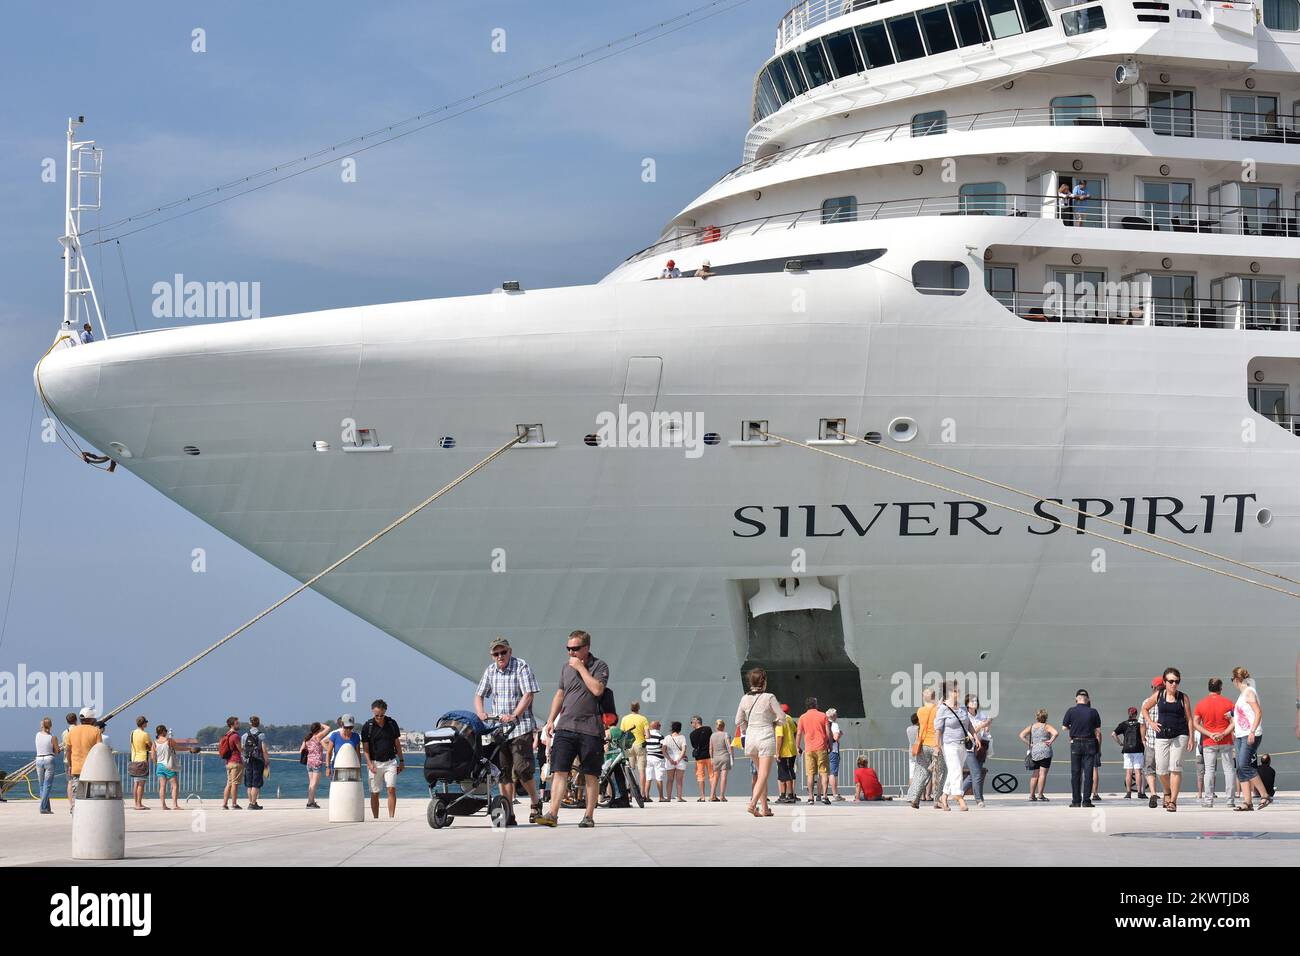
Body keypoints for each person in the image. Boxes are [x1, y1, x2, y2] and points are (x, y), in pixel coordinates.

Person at [534, 629, 609, 828]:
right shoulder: (565, 669)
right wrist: (550, 720)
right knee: (560, 771)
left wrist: (582, 669)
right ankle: (552, 814)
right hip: (565, 726)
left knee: (591, 774)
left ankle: (589, 816)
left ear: (587, 648)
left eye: (575, 649)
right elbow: (560, 694)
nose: (570, 653)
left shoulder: (599, 666)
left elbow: (597, 690)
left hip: (590, 729)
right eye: (568, 648)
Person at [474, 637, 542, 824]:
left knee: (522, 769)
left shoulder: (521, 666)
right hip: (500, 729)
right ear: (492, 656)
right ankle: (508, 811)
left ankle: (536, 802)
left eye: (503, 652)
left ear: (510, 651)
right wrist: (480, 712)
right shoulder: (490, 671)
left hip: (521, 727)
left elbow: (528, 694)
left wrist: (514, 714)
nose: (500, 656)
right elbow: (479, 694)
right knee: (503, 772)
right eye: (496, 654)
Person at [1141, 668, 1194, 812]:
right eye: (1171, 681)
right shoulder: (1159, 695)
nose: (1174, 684)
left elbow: (1189, 719)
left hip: (1180, 735)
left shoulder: (1183, 698)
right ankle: (1167, 791)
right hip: (1162, 736)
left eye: (1177, 681)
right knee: (1161, 770)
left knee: (1175, 767)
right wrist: (1151, 723)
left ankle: (1173, 802)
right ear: (1165, 682)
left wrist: (1191, 738)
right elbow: (1144, 708)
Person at [735, 666, 784, 818]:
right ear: (763, 682)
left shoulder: (744, 698)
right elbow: (782, 717)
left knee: (760, 775)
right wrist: (774, 724)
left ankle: (765, 808)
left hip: (750, 738)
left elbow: (738, 720)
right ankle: (752, 804)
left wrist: (746, 728)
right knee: (763, 775)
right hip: (765, 736)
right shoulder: (769, 697)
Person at [1231, 666, 1270, 811]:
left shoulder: (1249, 692)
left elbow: (1258, 712)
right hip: (1241, 735)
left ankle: (1264, 795)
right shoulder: (1243, 694)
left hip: (1250, 734)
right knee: (1240, 769)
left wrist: (1252, 731)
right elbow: (1241, 716)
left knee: (1244, 765)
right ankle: (1247, 802)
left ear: (1236, 680)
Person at [1193, 678, 1236, 809]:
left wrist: (1209, 733)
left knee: (1209, 771)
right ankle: (1230, 800)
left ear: (1208, 688)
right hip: (1226, 740)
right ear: (1220, 688)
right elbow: (1234, 722)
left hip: (1209, 741)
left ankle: (1208, 800)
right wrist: (1223, 733)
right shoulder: (1229, 703)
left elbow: (1195, 723)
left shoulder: (1201, 704)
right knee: (1229, 770)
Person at [360, 699, 404, 820]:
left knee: (391, 789)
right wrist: (369, 764)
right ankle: (376, 818)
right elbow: (366, 748)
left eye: (381, 715)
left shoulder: (391, 723)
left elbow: (397, 743)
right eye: (376, 715)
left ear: (385, 711)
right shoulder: (367, 726)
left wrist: (401, 761)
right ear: (372, 712)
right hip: (374, 763)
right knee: (375, 793)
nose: (379, 717)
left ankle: (391, 817)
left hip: (390, 762)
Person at [935, 682, 977, 811]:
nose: (957, 693)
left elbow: (968, 724)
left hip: (963, 745)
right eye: (954, 691)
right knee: (957, 771)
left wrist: (975, 736)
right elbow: (938, 729)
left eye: (958, 691)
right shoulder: (942, 708)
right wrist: (937, 746)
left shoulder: (962, 708)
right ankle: (960, 799)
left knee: (953, 771)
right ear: (947, 693)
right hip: (949, 744)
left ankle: (943, 796)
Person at [1061, 689, 1101, 807]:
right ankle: (1087, 801)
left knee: (1075, 772)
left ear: (1076, 699)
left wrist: (1072, 729)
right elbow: (1098, 730)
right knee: (1089, 773)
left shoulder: (1071, 711)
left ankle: (1076, 801)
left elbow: (1064, 727)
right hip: (1090, 743)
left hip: (1076, 742)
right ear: (1087, 699)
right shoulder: (1093, 712)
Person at [906, 687, 941, 808]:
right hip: (936, 744)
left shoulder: (920, 711)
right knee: (938, 773)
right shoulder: (938, 709)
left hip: (923, 745)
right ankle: (938, 800)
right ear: (934, 697)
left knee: (921, 772)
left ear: (923, 697)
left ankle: (914, 798)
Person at [65, 708, 104, 813]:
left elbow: (68, 751)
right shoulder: (96, 731)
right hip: (91, 769)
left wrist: (70, 765)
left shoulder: (72, 731)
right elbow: (99, 750)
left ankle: (76, 817)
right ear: (91, 719)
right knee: (92, 796)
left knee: (76, 796)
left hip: (76, 769)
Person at [797, 697, 833, 805]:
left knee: (810, 774)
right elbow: (828, 732)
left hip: (809, 749)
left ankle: (810, 797)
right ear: (816, 704)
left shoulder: (802, 717)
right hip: (821, 747)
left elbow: (799, 733)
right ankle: (825, 796)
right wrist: (830, 744)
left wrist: (797, 746)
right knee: (824, 772)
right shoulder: (823, 716)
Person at [1019, 709, 1057, 801]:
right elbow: (1056, 733)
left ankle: (1031, 795)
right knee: (1042, 774)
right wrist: (1050, 741)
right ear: (1046, 717)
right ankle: (1040, 795)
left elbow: (1021, 735)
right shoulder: (1046, 726)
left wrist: (1030, 743)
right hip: (1045, 750)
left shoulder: (1032, 726)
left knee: (1035, 773)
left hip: (1035, 751)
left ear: (1037, 717)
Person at [964, 693, 992, 807]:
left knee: (975, 774)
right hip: (970, 747)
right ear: (967, 704)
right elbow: (971, 731)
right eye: (972, 701)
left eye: (976, 701)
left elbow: (986, 732)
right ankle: (979, 799)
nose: (975, 703)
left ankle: (958, 792)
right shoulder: (965, 716)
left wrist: (987, 725)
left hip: (981, 746)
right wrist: (982, 725)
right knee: (976, 774)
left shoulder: (982, 714)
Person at [1113, 707, 1145, 799]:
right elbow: (1144, 735)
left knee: (1128, 772)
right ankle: (1139, 793)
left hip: (1127, 750)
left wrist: (1120, 743)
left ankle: (1128, 793)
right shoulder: (1140, 724)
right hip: (1138, 749)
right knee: (1138, 772)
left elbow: (1113, 734)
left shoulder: (1124, 724)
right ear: (1136, 714)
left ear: (1128, 713)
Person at [619, 700, 650, 797]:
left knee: (630, 770)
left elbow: (622, 734)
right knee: (642, 771)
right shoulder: (643, 719)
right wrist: (644, 737)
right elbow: (648, 735)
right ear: (639, 708)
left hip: (629, 746)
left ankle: (630, 794)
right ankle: (643, 794)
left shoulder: (625, 719)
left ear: (630, 708)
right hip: (640, 745)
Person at [1141, 675, 1163, 805]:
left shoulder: (1146, 702)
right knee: (1166, 769)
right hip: (1166, 741)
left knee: (1149, 768)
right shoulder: (1168, 700)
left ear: (1154, 687)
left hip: (1151, 742)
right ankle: (1168, 793)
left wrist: (1143, 738)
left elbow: (1142, 723)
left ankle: (1153, 793)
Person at [300, 721, 331, 808]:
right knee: (314, 784)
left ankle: (312, 801)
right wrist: (321, 724)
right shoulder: (317, 736)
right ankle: (310, 802)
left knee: (311, 783)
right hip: (317, 762)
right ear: (318, 729)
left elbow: (301, 749)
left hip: (309, 762)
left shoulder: (307, 738)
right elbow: (328, 728)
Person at [242, 717, 269, 810]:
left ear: (250, 723)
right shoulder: (261, 735)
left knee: (249, 783)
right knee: (256, 783)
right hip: (258, 761)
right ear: (258, 723)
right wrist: (266, 761)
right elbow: (264, 750)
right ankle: (253, 803)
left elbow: (243, 750)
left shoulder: (244, 735)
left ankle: (251, 802)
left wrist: (244, 760)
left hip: (248, 761)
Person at [324, 714, 362, 780]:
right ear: (342, 725)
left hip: (352, 767)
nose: (348, 730)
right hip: (337, 767)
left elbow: (358, 754)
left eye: (350, 727)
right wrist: (328, 767)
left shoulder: (356, 736)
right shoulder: (335, 735)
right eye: (346, 727)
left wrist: (359, 768)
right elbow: (329, 753)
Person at [128, 715, 153, 811]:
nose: (147, 723)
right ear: (143, 724)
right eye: (146, 722)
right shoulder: (145, 734)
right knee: (141, 784)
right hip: (142, 760)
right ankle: (139, 804)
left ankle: (136, 803)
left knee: (136, 783)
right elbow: (150, 746)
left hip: (134, 760)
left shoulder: (132, 733)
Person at [35, 717, 59, 814]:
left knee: (42, 785)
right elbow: (56, 752)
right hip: (49, 759)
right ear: (51, 726)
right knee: (47, 785)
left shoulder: (37, 735)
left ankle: (46, 807)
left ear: (42, 725)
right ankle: (43, 807)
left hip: (39, 759)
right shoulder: (53, 737)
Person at [776, 703, 799, 803]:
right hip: (791, 750)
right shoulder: (790, 719)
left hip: (784, 751)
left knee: (784, 773)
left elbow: (779, 737)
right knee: (788, 772)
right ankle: (788, 795)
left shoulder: (780, 720)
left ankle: (786, 795)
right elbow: (795, 731)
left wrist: (777, 752)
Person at [219, 716, 243, 810]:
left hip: (228, 762)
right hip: (236, 761)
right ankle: (234, 804)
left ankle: (224, 804)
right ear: (232, 724)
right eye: (237, 723)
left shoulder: (227, 735)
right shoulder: (235, 736)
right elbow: (240, 749)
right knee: (235, 784)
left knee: (229, 783)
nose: (239, 724)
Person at [154, 724, 180, 810]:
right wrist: (190, 749)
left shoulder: (154, 742)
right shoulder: (169, 741)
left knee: (162, 786)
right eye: (165, 730)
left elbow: (152, 756)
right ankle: (175, 805)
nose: (166, 732)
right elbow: (178, 748)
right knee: (175, 785)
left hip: (159, 766)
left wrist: (156, 764)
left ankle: (163, 805)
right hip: (168, 765)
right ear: (163, 732)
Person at [689, 715, 713, 801]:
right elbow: (712, 740)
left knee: (700, 776)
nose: (691, 724)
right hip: (709, 756)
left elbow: (694, 746)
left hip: (699, 758)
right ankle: (712, 795)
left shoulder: (692, 734)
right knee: (711, 775)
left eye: (692, 722)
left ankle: (702, 797)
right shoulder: (708, 729)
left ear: (696, 721)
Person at [663, 720, 688, 802]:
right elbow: (684, 750)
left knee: (670, 780)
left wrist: (670, 759)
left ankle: (669, 797)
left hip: (670, 759)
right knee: (679, 780)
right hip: (679, 759)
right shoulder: (682, 737)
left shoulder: (667, 737)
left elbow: (663, 750)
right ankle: (679, 797)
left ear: (672, 728)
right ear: (680, 729)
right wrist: (678, 760)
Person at [709, 719, 732, 801]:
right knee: (723, 777)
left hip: (715, 757)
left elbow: (710, 748)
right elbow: (729, 746)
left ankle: (712, 796)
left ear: (716, 726)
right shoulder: (726, 734)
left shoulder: (712, 735)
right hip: (725, 756)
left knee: (715, 777)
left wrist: (711, 758)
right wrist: (731, 754)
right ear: (723, 726)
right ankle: (722, 796)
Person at [826, 707, 845, 801]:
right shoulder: (834, 725)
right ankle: (835, 794)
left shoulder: (824, 724)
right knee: (833, 773)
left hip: (824, 751)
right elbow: (836, 738)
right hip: (833, 751)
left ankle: (820, 795)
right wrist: (840, 734)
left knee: (824, 773)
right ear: (833, 716)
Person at [645, 719, 666, 801]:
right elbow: (663, 747)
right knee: (659, 778)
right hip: (658, 758)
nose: (660, 726)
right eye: (659, 725)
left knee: (648, 778)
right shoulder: (660, 736)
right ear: (657, 727)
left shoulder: (646, 735)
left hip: (648, 758)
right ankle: (661, 797)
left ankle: (646, 796)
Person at [60, 712, 77, 807]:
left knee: (70, 782)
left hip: (67, 759)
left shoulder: (64, 732)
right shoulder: (79, 730)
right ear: (76, 720)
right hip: (77, 759)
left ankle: (71, 804)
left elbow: (65, 747)